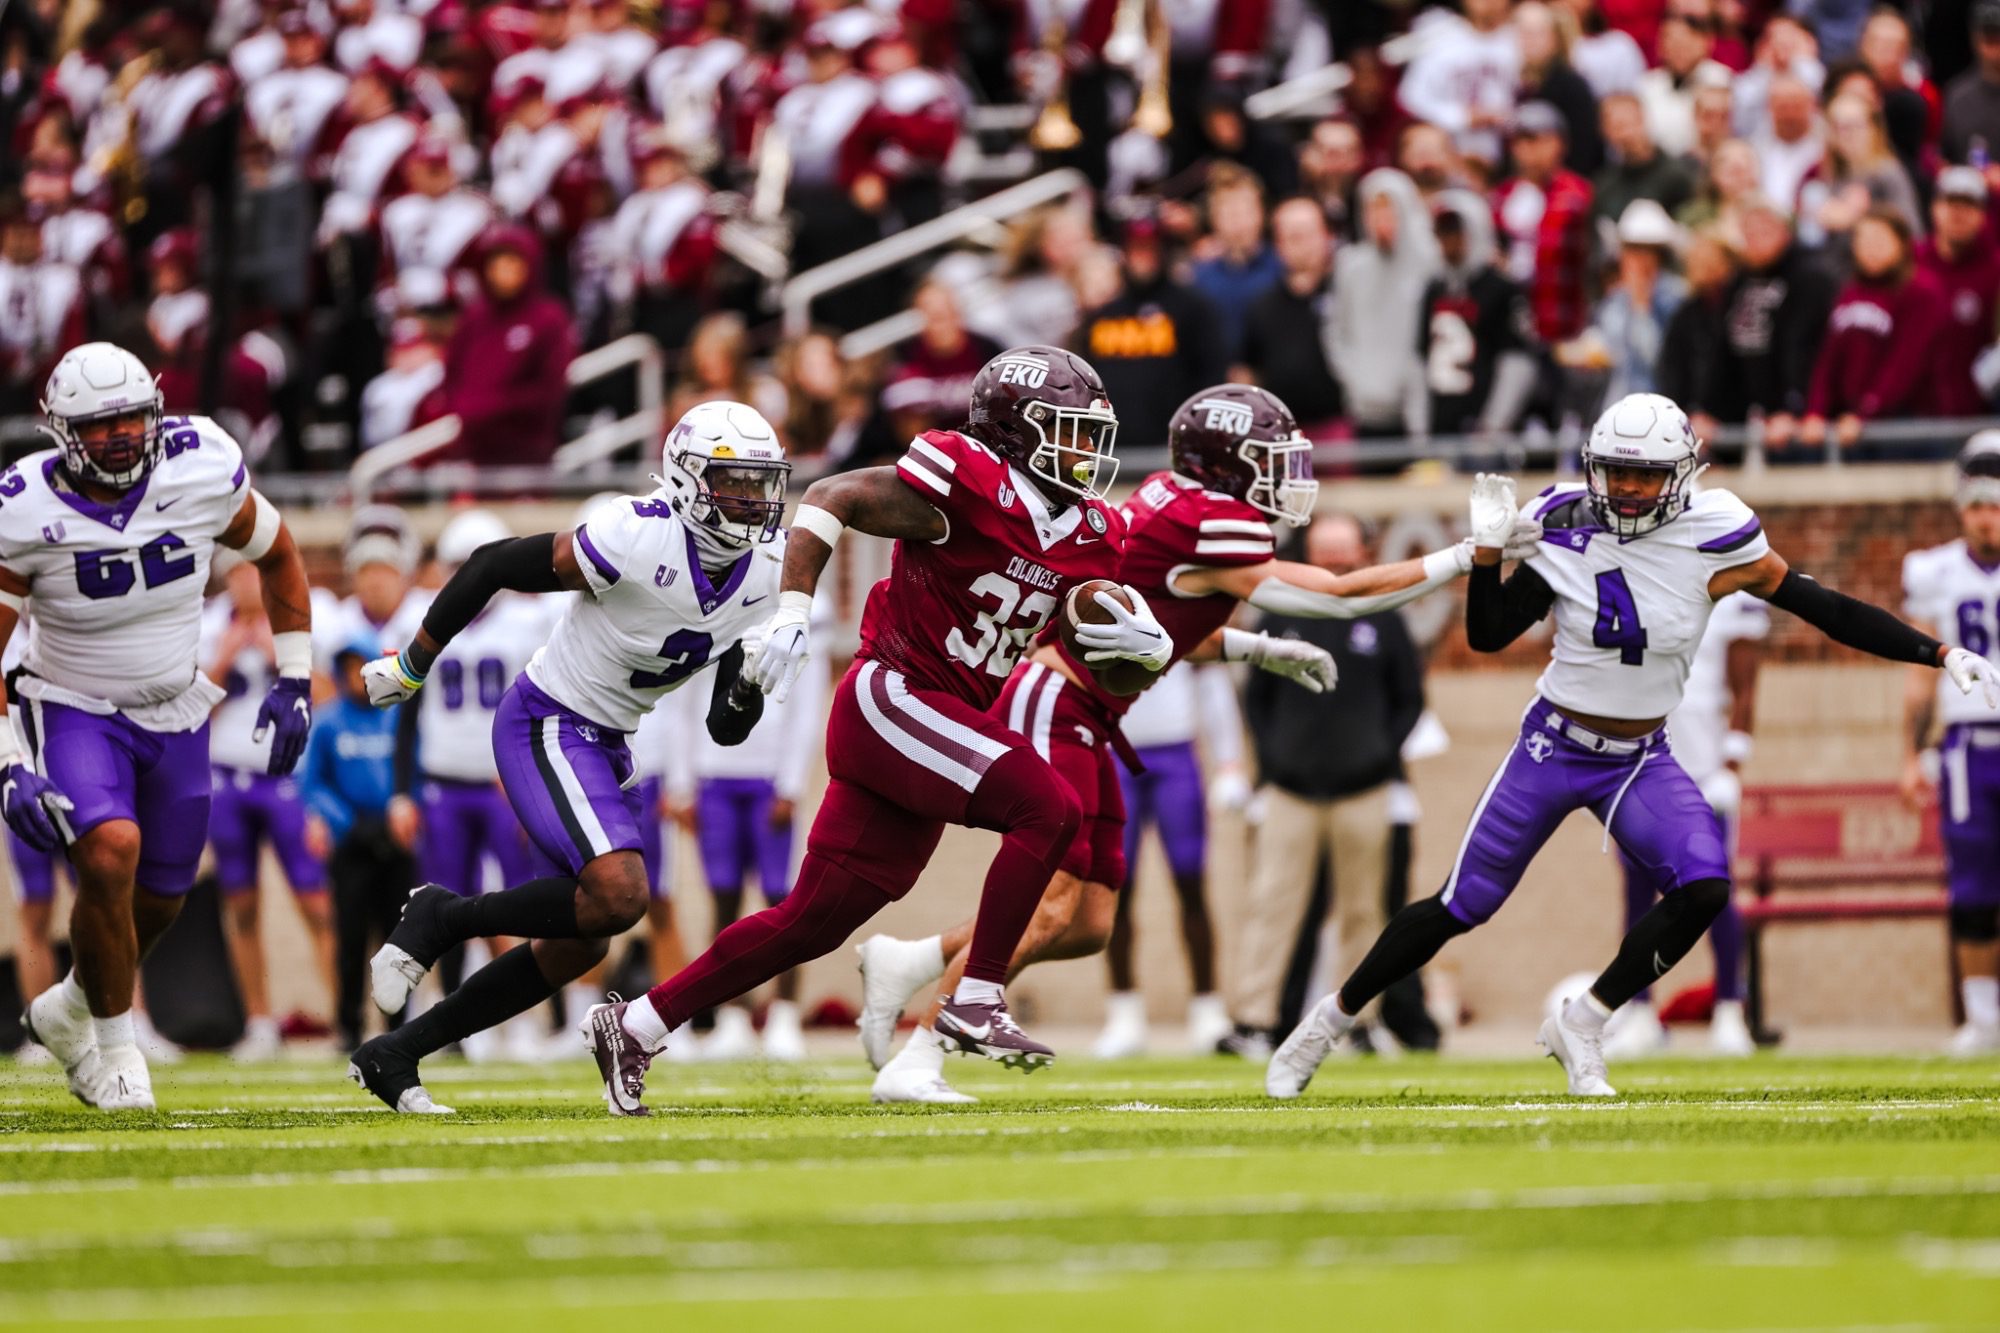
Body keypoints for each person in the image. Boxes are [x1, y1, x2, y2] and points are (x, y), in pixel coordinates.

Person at [1266, 393, 2000, 1100]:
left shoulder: (1719, 531)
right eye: (1616, 471)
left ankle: (1584, 1021)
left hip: (1639, 757)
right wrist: (1487, 556)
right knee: (1463, 903)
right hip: (1552, 747)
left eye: (1644, 475)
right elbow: (1489, 636)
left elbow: (1826, 607)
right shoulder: (1559, 517)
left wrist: (1937, 653)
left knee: (1705, 885)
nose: (1626, 488)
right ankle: (1324, 1024)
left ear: (1681, 475)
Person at [859, 383, 1542, 1103]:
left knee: (1088, 923)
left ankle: (912, 960)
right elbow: (1336, 595)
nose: (1285, 477)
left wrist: (1257, 649)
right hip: (1058, 700)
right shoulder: (1212, 519)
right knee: (1052, 906)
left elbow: (1163, 626)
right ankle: (920, 1054)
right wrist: (1466, 555)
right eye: (1269, 460)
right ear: (1225, 463)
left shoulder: (1175, 503)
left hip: (1088, 712)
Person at [574, 348, 1166, 1115]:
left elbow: (1093, 644)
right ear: (1015, 429)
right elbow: (832, 496)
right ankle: (976, 996)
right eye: (1069, 429)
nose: (1085, 450)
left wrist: (1137, 647)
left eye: (1091, 433)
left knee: (810, 922)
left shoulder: (1092, 531)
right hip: (894, 697)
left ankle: (636, 1023)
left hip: (934, 721)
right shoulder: (966, 477)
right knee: (1049, 806)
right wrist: (793, 609)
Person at [345, 400, 788, 1114]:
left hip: (609, 743)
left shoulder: (766, 574)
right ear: (686, 480)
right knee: (622, 894)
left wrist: (753, 684)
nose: (751, 500)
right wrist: (412, 664)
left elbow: (724, 726)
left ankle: (395, 1051)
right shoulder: (636, 535)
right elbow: (492, 564)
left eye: (759, 484)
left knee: (584, 939)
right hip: (547, 719)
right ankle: (441, 915)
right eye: (733, 482)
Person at [10, 343, 314, 1111]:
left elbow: (279, 553)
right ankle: (116, 1053)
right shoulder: (23, 506)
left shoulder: (201, 462)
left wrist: (295, 676)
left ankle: (70, 1004)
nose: (119, 436)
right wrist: (9, 760)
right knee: (111, 849)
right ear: (62, 431)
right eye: (98, 424)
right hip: (72, 701)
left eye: (131, 418)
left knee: (164, 894)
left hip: (175, 703)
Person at [1228, 513, 1427, 1056]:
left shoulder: (1384, 617)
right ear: (1309, 557)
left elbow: (1410, 699)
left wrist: (1379, 754)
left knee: (1365, 911)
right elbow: (1255, 700)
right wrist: (1274, 761)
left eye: (1344, 555)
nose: (1335, 566)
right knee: (1272, 905)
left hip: (1365, 790)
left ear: (1362, 555)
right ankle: (1255, 1021)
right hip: (1290, 791)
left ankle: (1358, 1024)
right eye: (1325, 555)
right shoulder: (1280, 613)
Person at [388, 508, 561, 1060]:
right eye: (456, 565)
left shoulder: (528, 622)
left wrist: (533, 778)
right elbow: (406, 714)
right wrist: (401, 791)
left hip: (501, 786)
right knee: (445, 904)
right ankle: (450, 1025)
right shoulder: (419, 617)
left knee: (520, 903)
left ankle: (528, 1021)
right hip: (443, 785)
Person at [662, 601, 828, 1062]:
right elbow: (684, 705)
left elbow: (806, 707)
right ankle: (732, 1015)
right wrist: (681, 784)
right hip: (714, 778)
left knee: (782, 901)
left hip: (768, 780)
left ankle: (784, 1015)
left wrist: (791, 784)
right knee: (724, 901)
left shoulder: (796, 611)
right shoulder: (710, 608)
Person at [1606, 587, 1765, 1058]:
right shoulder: (1626, 580)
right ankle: (1639, 1011)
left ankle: (1729, 1009)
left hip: (1703, 769)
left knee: (1714, 893)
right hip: (1639, 768)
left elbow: (1746, 685)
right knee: (1638, 895)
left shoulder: (1728, 590)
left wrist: (1732, 763)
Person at [202, 556, 334, 1062]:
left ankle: (341, 1014)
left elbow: (331, 696)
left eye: (253, 570)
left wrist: (284, 660)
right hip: (227, 776)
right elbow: (188, 708)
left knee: (315, 902)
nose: (246, 581)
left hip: (287, 778)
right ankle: (258, 1021)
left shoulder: (302, 615)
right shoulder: (210, 624)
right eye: (237, 572)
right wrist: (222, 661)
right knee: (240, 904)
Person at [1090, 662, 1248, 1059]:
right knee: (1117, 888)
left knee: (1191, 883)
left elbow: (1212, 680)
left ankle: (1207, 1009)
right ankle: (1124, 1013)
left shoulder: (1183, 620)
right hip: (1115, 752)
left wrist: (1230, 762)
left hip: (1176, 754)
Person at [1901, 433, 2000, 1056]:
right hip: (1967, 746)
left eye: (1995, 505)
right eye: (1977, 505)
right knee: (1973, 886)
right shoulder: (1933, 570)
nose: (1986, 518)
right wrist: (1911, 753)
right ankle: (1984, 1019)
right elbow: (1919, 676)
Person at [304, 631, 411, 1055]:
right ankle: (349, 1026)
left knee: (399, 939)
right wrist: (342, 821)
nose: (355, 677)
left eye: (361, 669)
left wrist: (407, 808)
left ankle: (399, 1026)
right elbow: (311, 782)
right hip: (350, 842)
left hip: (395, 838)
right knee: (350, 938)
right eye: (348, 669)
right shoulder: (329, 721)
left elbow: (415, 770)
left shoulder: (396, 718)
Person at [1800, 210, 1947, 456]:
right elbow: (1829, 359)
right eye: (1864, 240)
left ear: (1901, 243)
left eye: (1879, 239)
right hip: (1852, 422)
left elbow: (1906, 363)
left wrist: (1866, 413)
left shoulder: (1921, 290)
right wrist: (1816, 411)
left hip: (1908, 422)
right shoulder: (1850, 291)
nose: (1871, 248)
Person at [441, 224, 575, 469]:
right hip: (472, 450)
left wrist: (487, 407)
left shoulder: (549, 318)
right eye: (496, 264)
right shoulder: (474, 317)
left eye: (512, 263)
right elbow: (452, 373)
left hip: (527, 452)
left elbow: (549, 387)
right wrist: (462, 407)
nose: (504, 272)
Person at [1329, 169, 1439, 445]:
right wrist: (1356, 378)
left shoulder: (1431, 262)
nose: (1381, 220)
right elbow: (1336, 330)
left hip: (1422, 409)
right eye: (1372, 211)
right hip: (1367, 405)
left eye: (1388, 210)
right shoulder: (1350, 266)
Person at [1421, 191, 1538, 441]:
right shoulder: (1434, 289)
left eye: (1455, 230)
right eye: (1442, 231)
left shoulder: (1501, 289)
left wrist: (1493, 426)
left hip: (1483, 430)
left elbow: (1518, 361)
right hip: (1440, 428)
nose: (1449, 239)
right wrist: (1419, 427)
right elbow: (1419, 358)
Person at [1236, 197, 1344, 435]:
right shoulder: (1261, 306)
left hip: (1340, 426)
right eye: (1293, 237)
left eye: (1309, 234)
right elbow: (1246, 370)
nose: (1302, 245)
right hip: (1279, 432)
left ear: (1327, 237)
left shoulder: (1347, 297)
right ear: (1278, 245)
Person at [1918, 167, 2000, 420]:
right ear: (1935, 208)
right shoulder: (1910, 262)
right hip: (1910, 414)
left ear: (1983, 214)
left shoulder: (1994, 269)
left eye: (1968, 206)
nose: (1958, 214)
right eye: (1951, 204)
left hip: (1975, 415)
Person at [1942, 0, 2000, 167]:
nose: (1995, 48)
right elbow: (1945, 158)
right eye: (1989, 39)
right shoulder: (1957, 95)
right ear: (1975, 39)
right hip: (1970, 180)